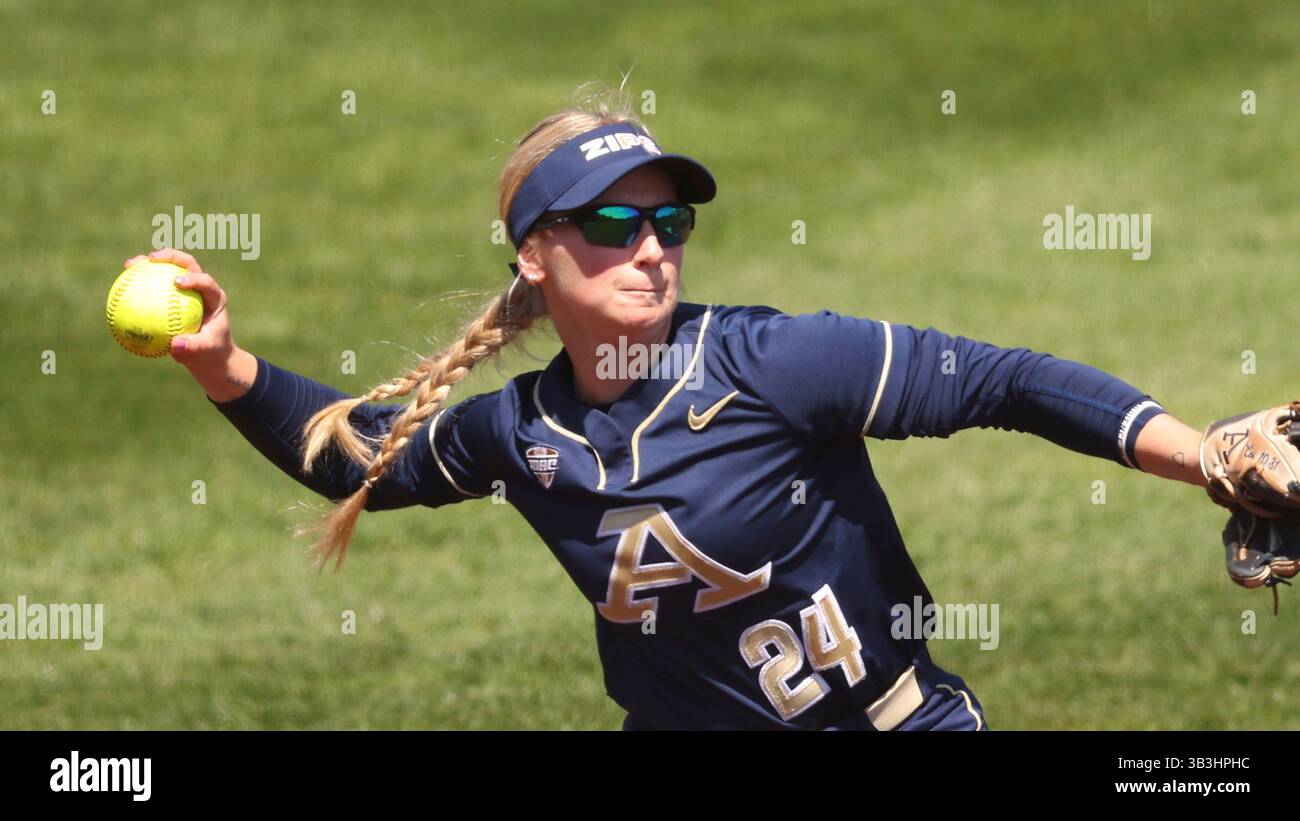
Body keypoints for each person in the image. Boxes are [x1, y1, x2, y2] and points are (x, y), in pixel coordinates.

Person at [134, 89, 1218, 731]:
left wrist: (1209, 456)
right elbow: (367, 461)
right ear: (535, 252)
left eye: (671, 219)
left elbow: (1006, 381)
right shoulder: (520, 434)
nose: (651, 244)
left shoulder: (776, 361)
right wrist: (225, 366)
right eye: (612, 220)